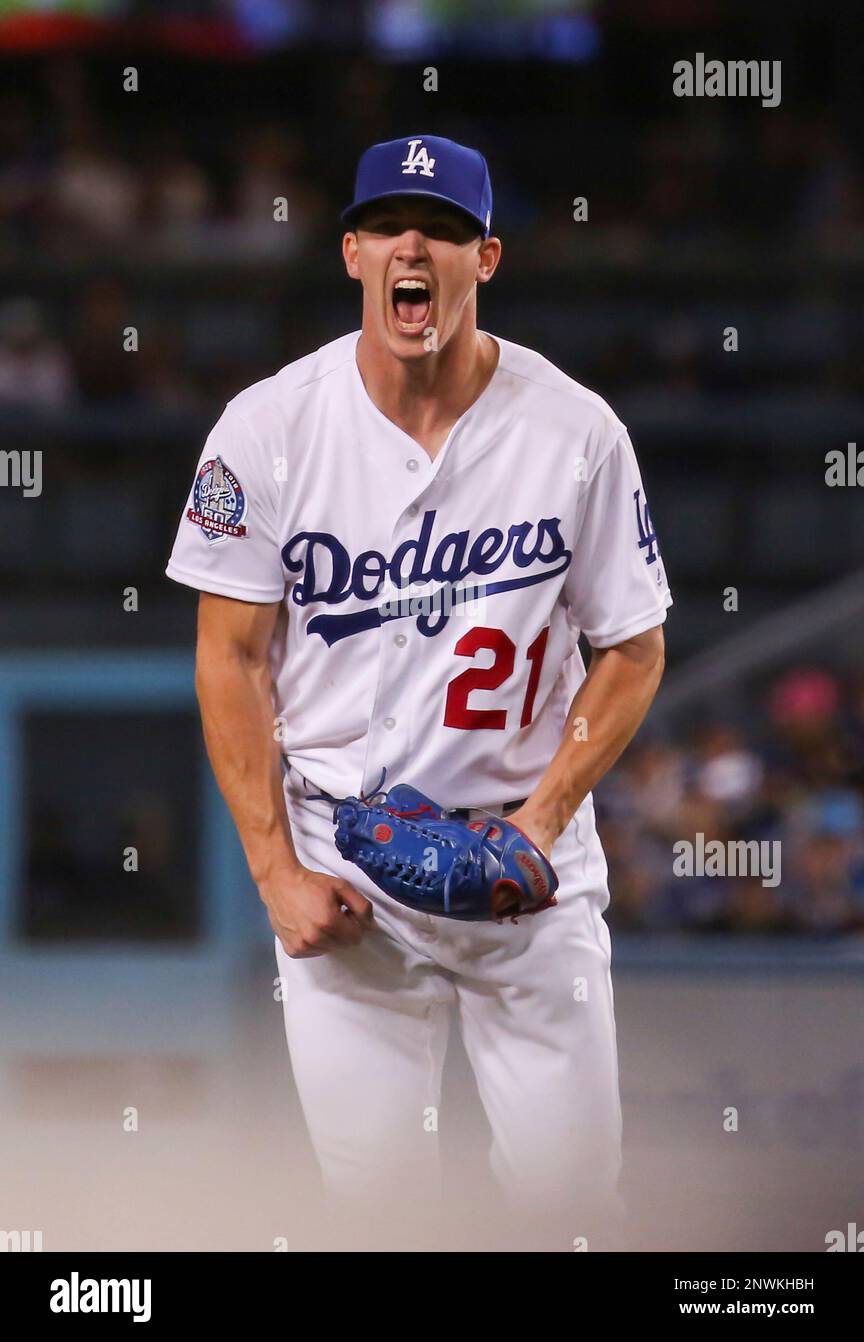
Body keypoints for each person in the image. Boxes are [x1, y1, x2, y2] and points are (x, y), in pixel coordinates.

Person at [166, 134, 671, 1250]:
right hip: (344, 863)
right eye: (389, 226)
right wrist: (275, 872)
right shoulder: (267, 429)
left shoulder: (577, 432)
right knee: (379, 1214)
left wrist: (541, 822)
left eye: (442, 230)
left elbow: (633, 650)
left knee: (572, 1201)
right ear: (352, 253)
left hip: (523, 866)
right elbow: (229, 659)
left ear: (484, 258)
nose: (414, 248)